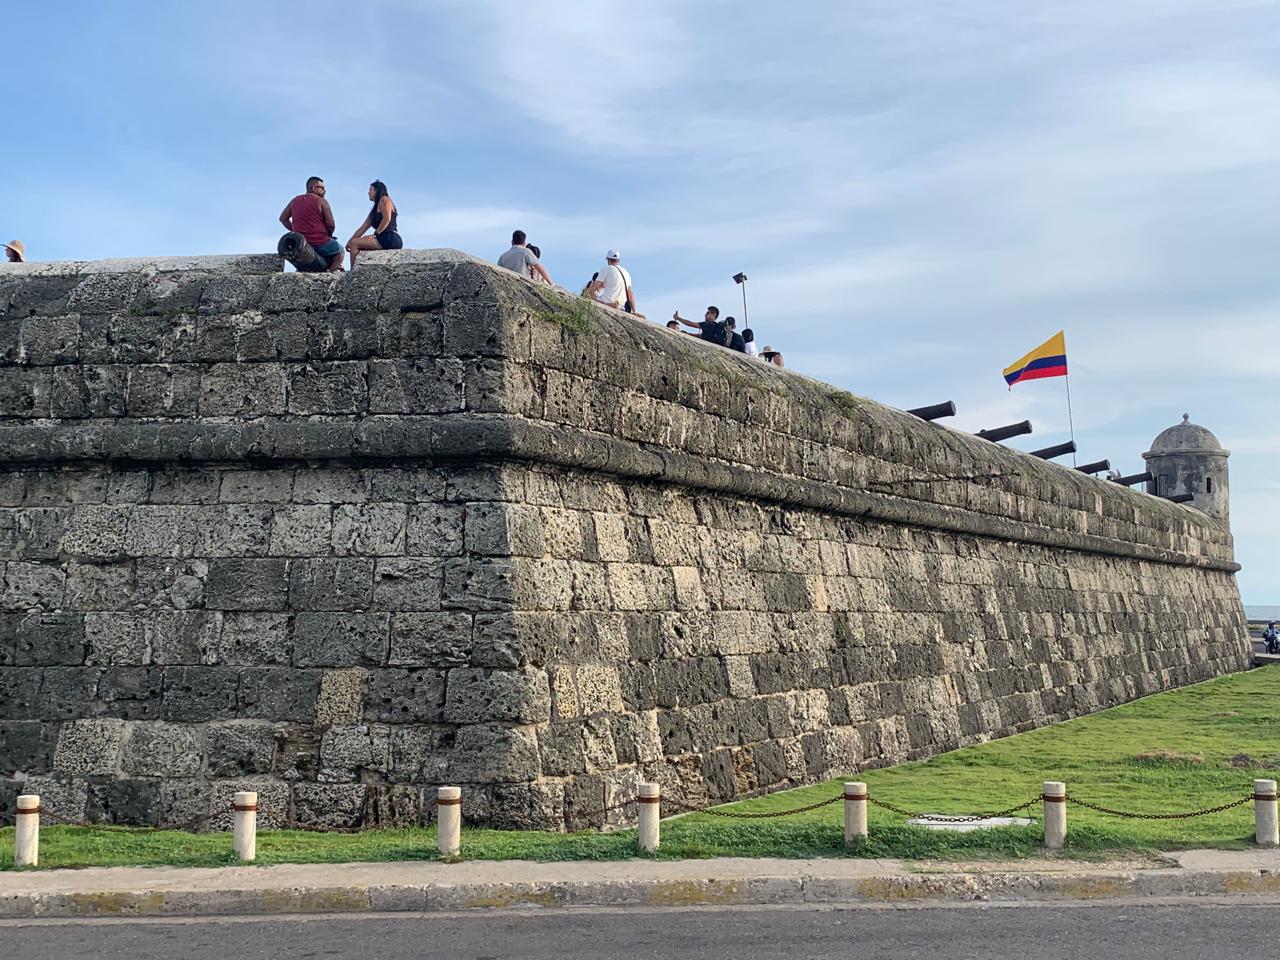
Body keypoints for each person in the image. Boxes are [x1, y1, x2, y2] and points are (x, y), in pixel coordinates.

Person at [279, 177, 344, 271]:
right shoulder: (321, 201)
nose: (324, 191)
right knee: (340, 250)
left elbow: (283, 219)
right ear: (313, 188)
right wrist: (329, 235)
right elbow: (331, 225)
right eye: (322, 188)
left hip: (302, 241)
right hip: (319, 241)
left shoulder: (294, 201)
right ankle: (330, 272)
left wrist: (295, 231)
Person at [346, 180, 402, 268]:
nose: (368, 192)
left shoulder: (384, 199)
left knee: (354, 243)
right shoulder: (374, 210)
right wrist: (349, 241)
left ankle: (352, 272)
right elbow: (363, 228)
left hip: (390, 238)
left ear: (377, 191)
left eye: (370, 190)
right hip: (382, 238)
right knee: (354, 242)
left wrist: (375, 234)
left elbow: (387, 219)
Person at [587, 250, 638, 314]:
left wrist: (588, 294)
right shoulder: (626, 272)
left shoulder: (606, 269)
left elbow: (594, 287)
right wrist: (634, 311)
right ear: (618, 260)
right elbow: (630, 293)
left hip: (609, 301)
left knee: (591, 295)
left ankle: (607, 304)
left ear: (608, 260)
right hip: (622, 305)